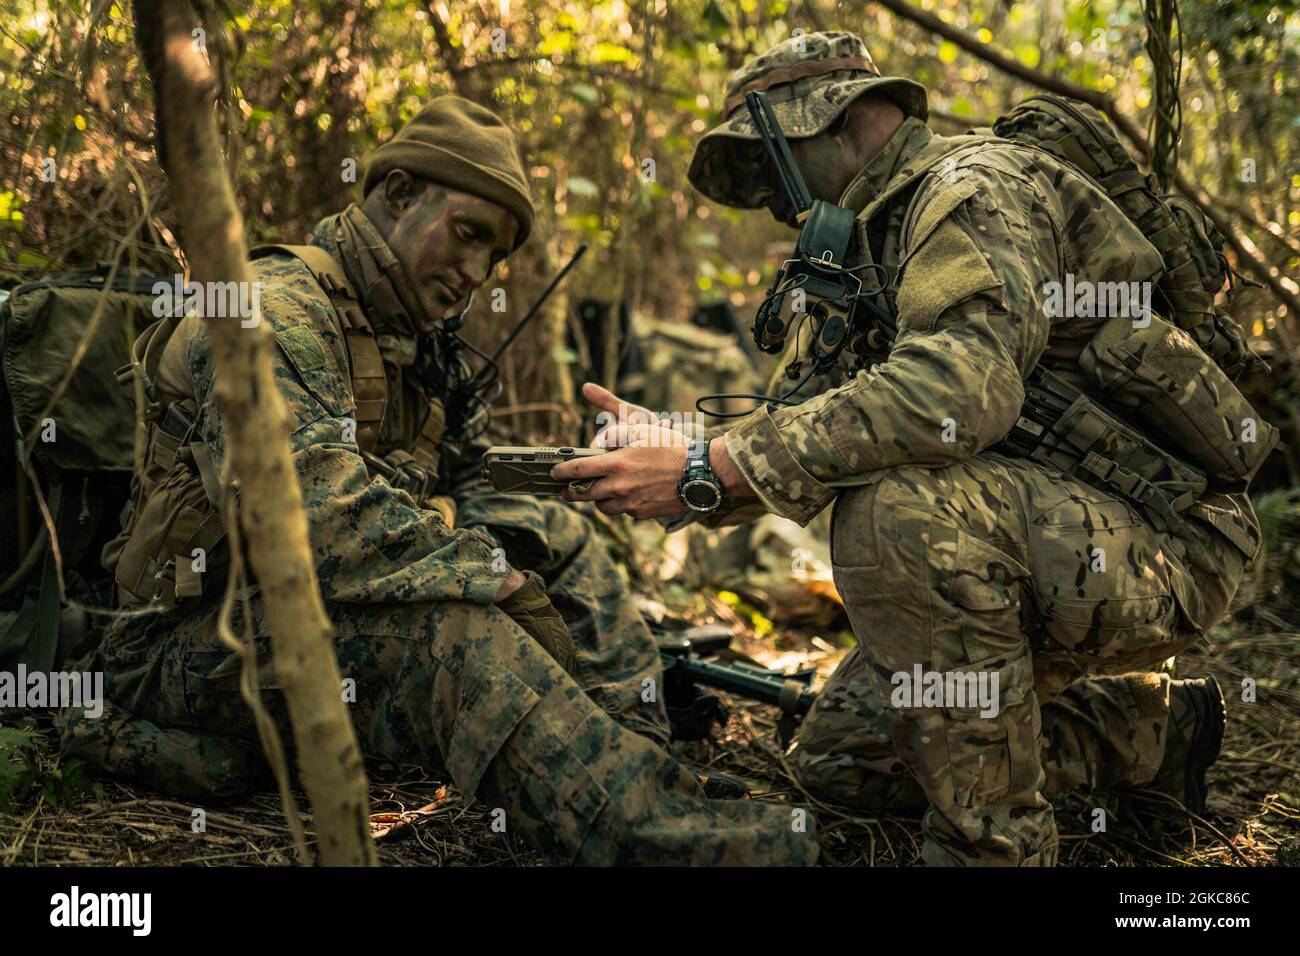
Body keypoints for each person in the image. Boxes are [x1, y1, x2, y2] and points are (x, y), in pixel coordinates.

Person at [553, 32, 1264, 866]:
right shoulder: (860, 252)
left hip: (1169, 540)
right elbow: (800, 436)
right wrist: (684, 452)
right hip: (1047, 534)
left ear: (847, 120)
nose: (781, 206)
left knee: (896, 515)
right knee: (844, 765)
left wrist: (720, 464)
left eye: (777, 162)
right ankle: (1153, 731)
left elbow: (964, 391)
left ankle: (992, 849)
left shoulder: (975, 190)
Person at [58, 95, 817, 866]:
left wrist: (579, 481)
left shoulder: (405, 342)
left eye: (492, 255)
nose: (474, 271)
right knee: (454, 631)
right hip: (183, 645)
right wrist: (498, 582)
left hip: (295, 618)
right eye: (466, 235)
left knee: (554, 533)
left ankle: (634, 766)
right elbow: (314, 521)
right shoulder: (273, 309)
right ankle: (668, 842)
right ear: (395, 195)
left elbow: (457, 483)